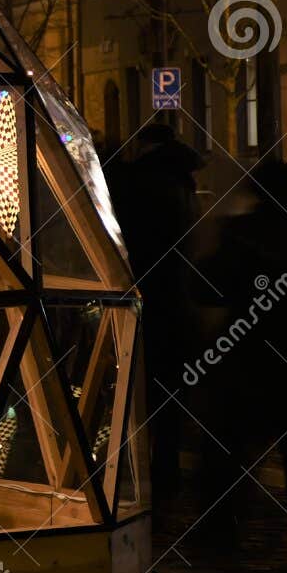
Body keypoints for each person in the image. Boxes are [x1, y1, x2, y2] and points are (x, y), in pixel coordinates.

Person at [192, 159, 287, 566]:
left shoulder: (240, 231)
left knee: (227, 447)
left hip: (247, 353)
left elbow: (206, 285)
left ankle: (218, 533)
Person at [108, 120, 203, 506]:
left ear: (144, 146)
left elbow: (131, 239)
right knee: (170, 393)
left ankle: (138, 474)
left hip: (148, 297)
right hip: (177, 298)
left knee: (140, 388)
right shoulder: (183, 181)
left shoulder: (142, 183)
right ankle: (165, 471)